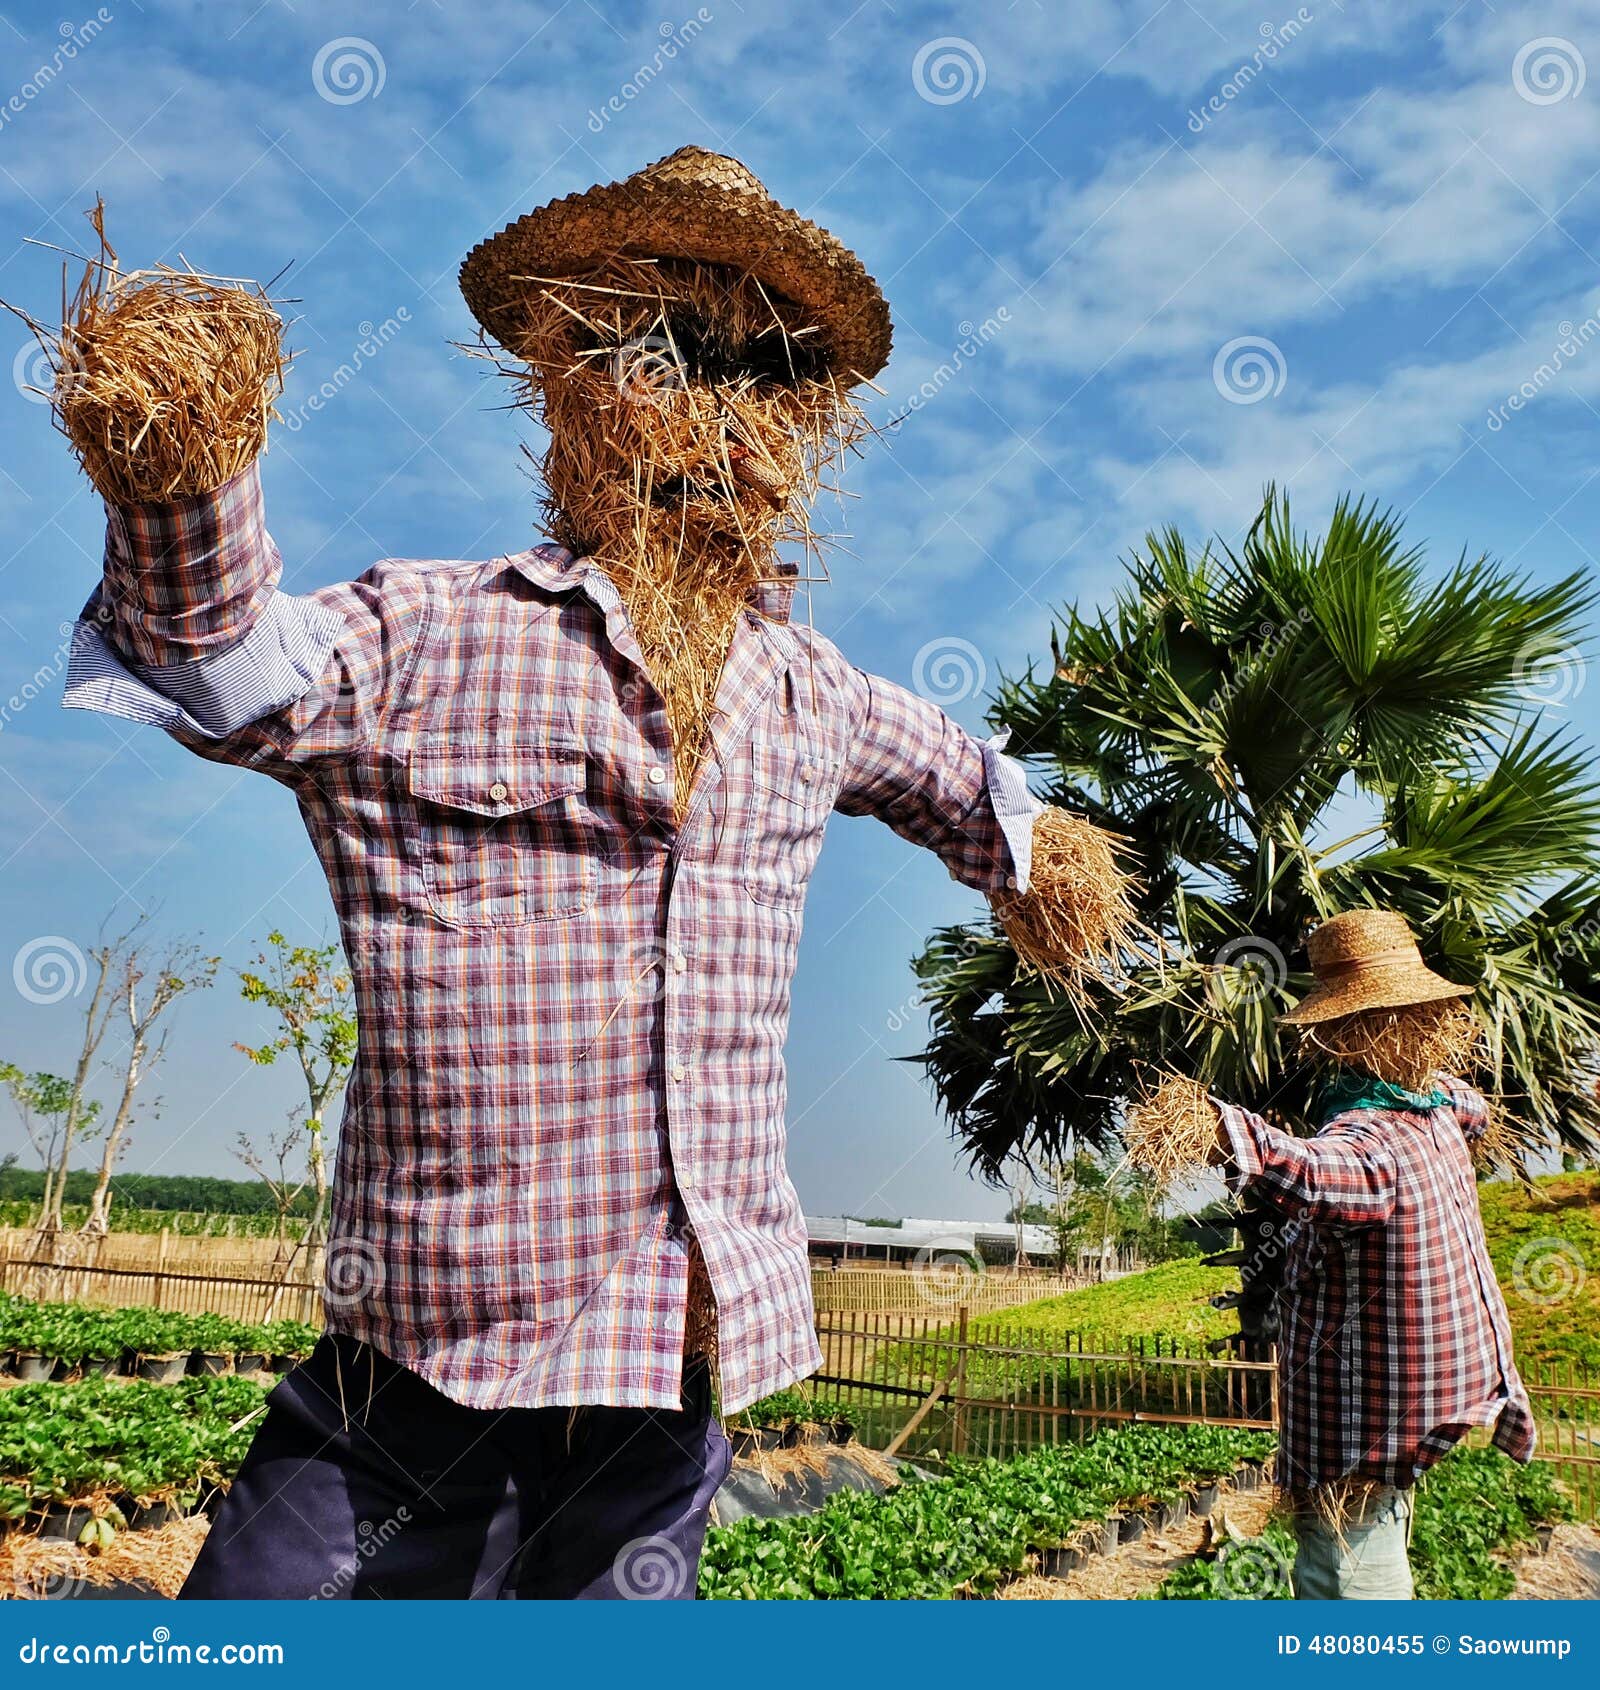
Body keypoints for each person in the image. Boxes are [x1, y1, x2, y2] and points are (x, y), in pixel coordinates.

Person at [55, 148, 1128, 1598]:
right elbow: (221, 667)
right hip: (415, 1391)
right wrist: (180, 459)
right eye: (672, 350)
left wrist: (1039, 853)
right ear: (568, 375)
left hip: (670, 1386)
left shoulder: (808, 694)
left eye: (772, 371)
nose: (721, 409)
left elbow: (955, 774)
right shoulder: (435, 637)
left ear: (806, 422)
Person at [1208, 909, 1535, 1600]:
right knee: (1379, 1540)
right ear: (1417, 1023)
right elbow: (1467, 1108)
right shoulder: (1435, 1109)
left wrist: (1227, 1131)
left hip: (1358, 1436)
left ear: (1335, 1034)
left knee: (1349, 1579)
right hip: (1435, 1396)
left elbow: (1302, 1168)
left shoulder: (1385, 1131)